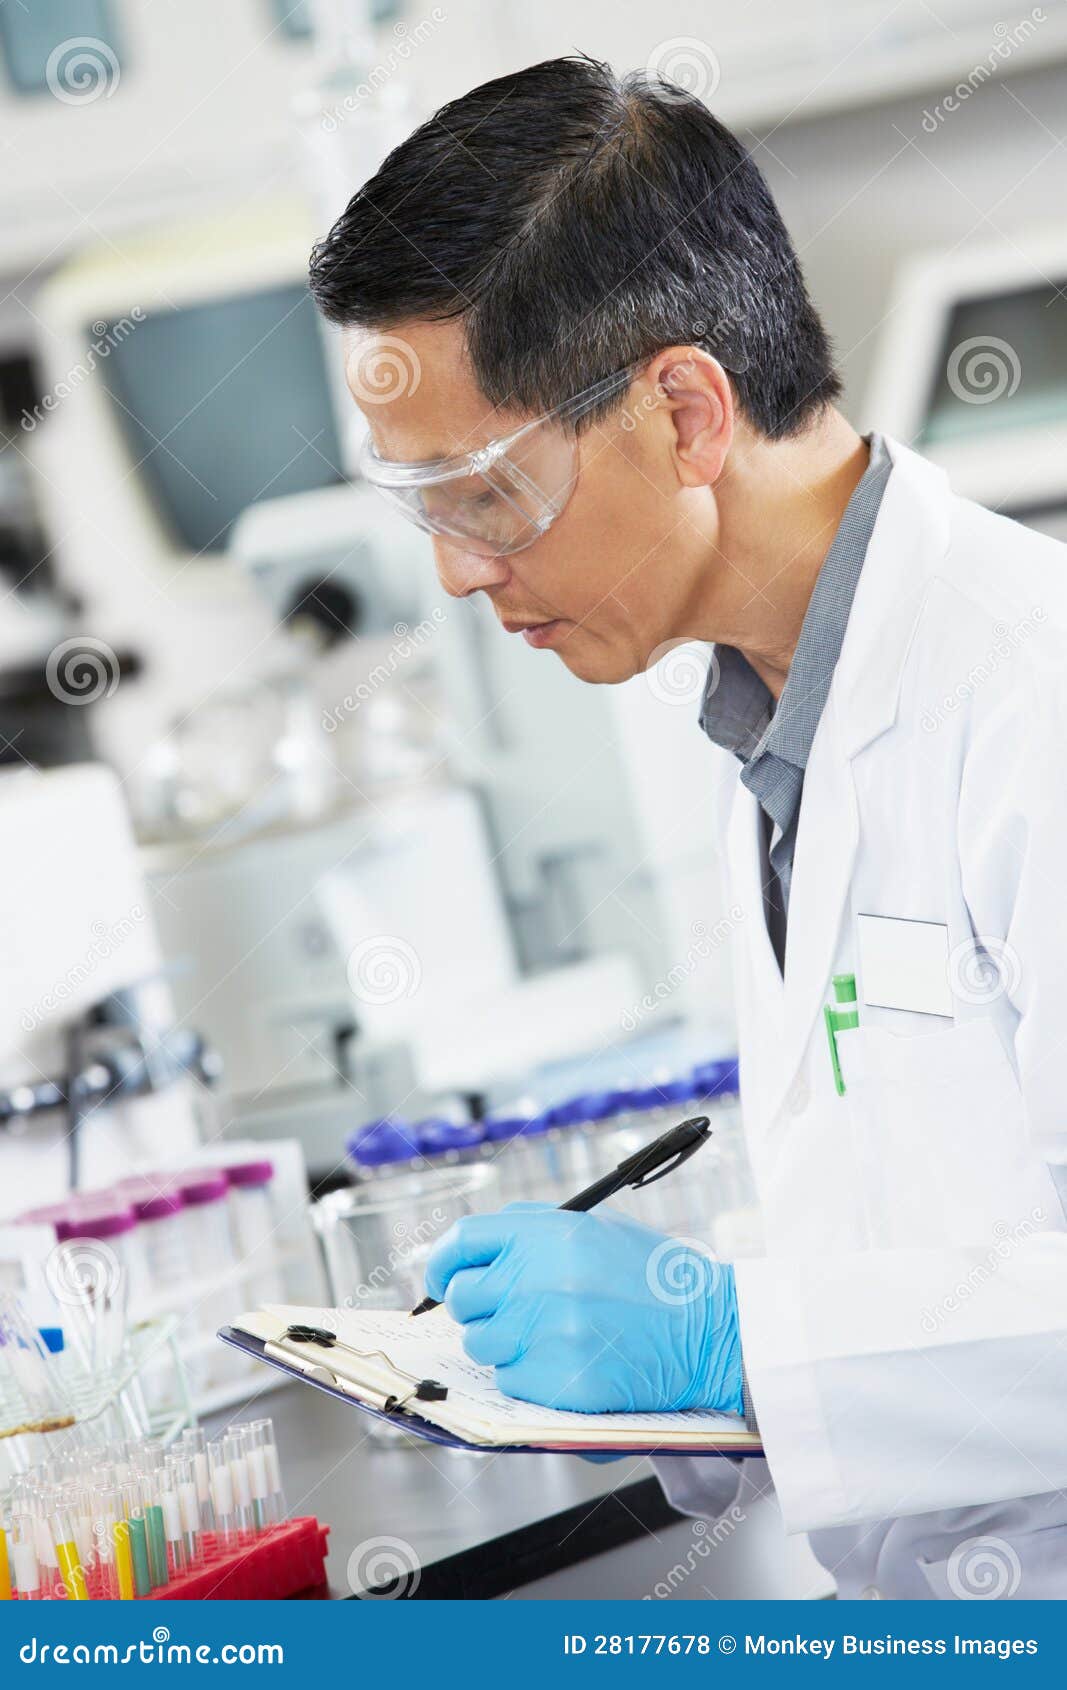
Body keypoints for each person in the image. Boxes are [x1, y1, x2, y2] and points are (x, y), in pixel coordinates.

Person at [308, 56, 1067, 1600]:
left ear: (685, 409)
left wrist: (731, 1332)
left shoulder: (1027, 696)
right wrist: (669, 1378)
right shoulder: (764, 720)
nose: (461, 572)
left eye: (486, 494)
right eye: (426, 510)